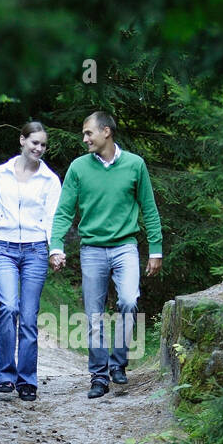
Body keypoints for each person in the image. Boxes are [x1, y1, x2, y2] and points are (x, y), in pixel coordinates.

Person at [49, 110, 162, 398]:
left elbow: (149, 208)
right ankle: (98, 376)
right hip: (92, 249)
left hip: (125, 246)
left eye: (89, 132)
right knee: (94, 315)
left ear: (106, 132)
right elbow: (64, 211)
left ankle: (118, 364)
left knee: (128, 300)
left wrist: (156, 249)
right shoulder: (78, 168)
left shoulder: (135, 165)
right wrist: (57, 245)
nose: (84, 138)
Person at [0, 121, 61, 402]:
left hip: (36, 252)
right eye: (34, 142)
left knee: (28, 317)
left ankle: (27, 380)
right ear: (22, 141)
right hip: (3, 249)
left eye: (43, 145)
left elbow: (53, 220)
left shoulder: (50, 180)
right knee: (8, 308)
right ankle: (5, 377)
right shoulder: (0, 174)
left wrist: (55, 249)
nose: (39, 148)